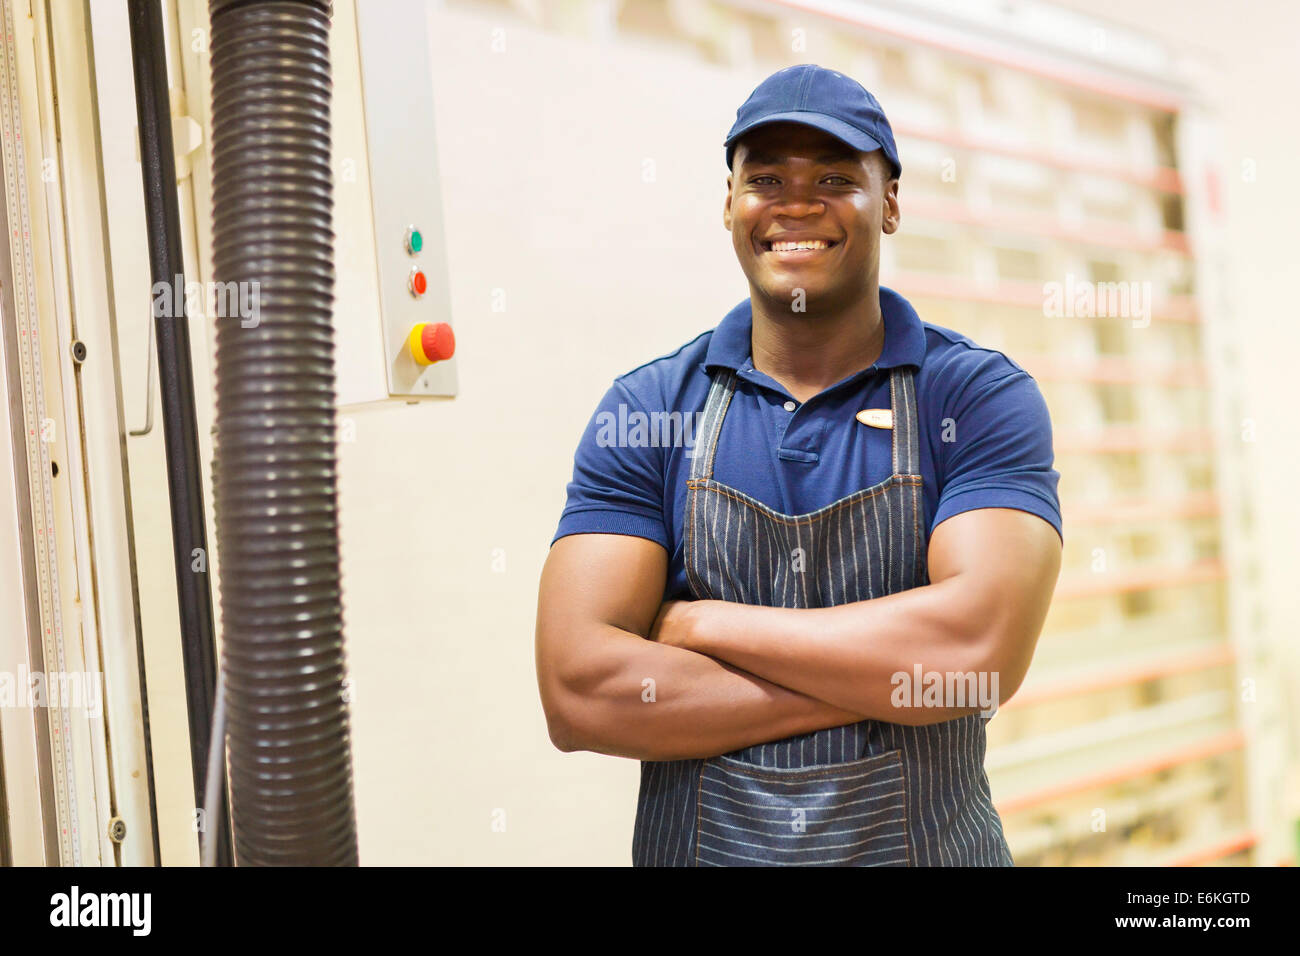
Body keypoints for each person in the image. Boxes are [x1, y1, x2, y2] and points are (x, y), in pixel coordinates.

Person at [535, 64, 1062, 866]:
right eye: (767, 178)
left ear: (889, 202)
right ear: (730, 203)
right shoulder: (648, 409)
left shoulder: (977, 397)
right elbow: (580, 694)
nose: (797, 204)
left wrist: (699, 625)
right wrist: (879, 685)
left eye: (835, 178)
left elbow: (974, 654)